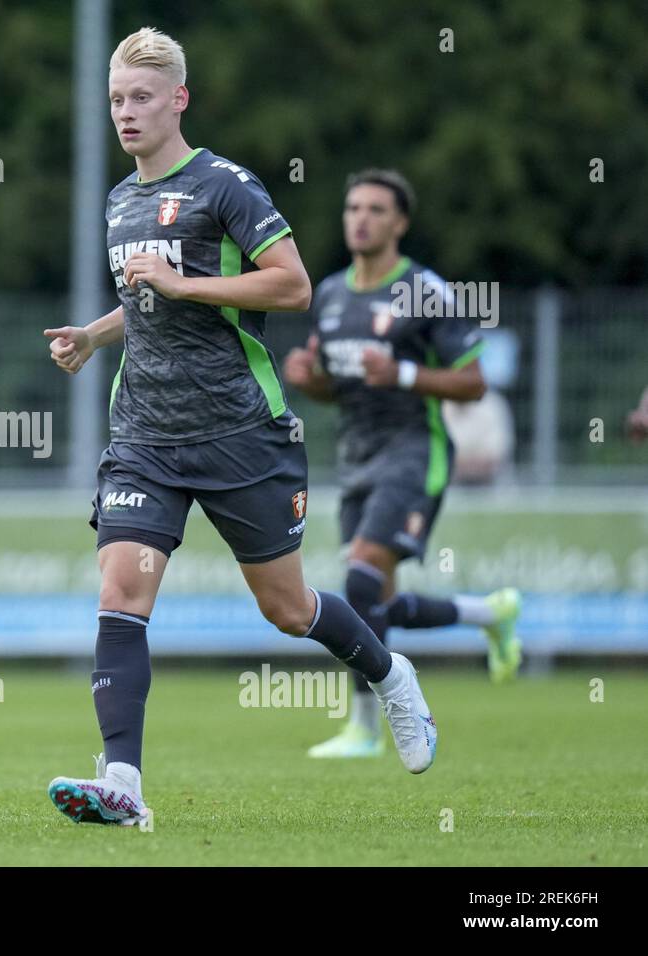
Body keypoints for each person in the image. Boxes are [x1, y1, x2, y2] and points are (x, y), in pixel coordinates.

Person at [42, 28, 437, 827]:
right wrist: (95, 333)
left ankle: (391, 677)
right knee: (121, 591)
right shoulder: (119, 200)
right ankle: (124, 783)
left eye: (143, 97)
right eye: (117, 98)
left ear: (178, 99)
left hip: (238, 429)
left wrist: (185, 286)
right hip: (146, 434)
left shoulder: (225, 185)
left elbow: (290, 286)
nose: (127, 112)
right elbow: (151, 298)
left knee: (287, 610)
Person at [282, 169, 521, 760]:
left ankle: (364, 727)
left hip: (416, 451)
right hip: (356, 458)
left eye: (376, 209)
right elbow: (338, 390)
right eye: (353, 207)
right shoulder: (332, 293)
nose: (360, 218)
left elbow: (473, 383)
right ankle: (489, 613)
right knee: (376, 605)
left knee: (360, 576)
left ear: (400, 223)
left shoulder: (425, 289)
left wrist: (406, 375)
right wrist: (311, 382)